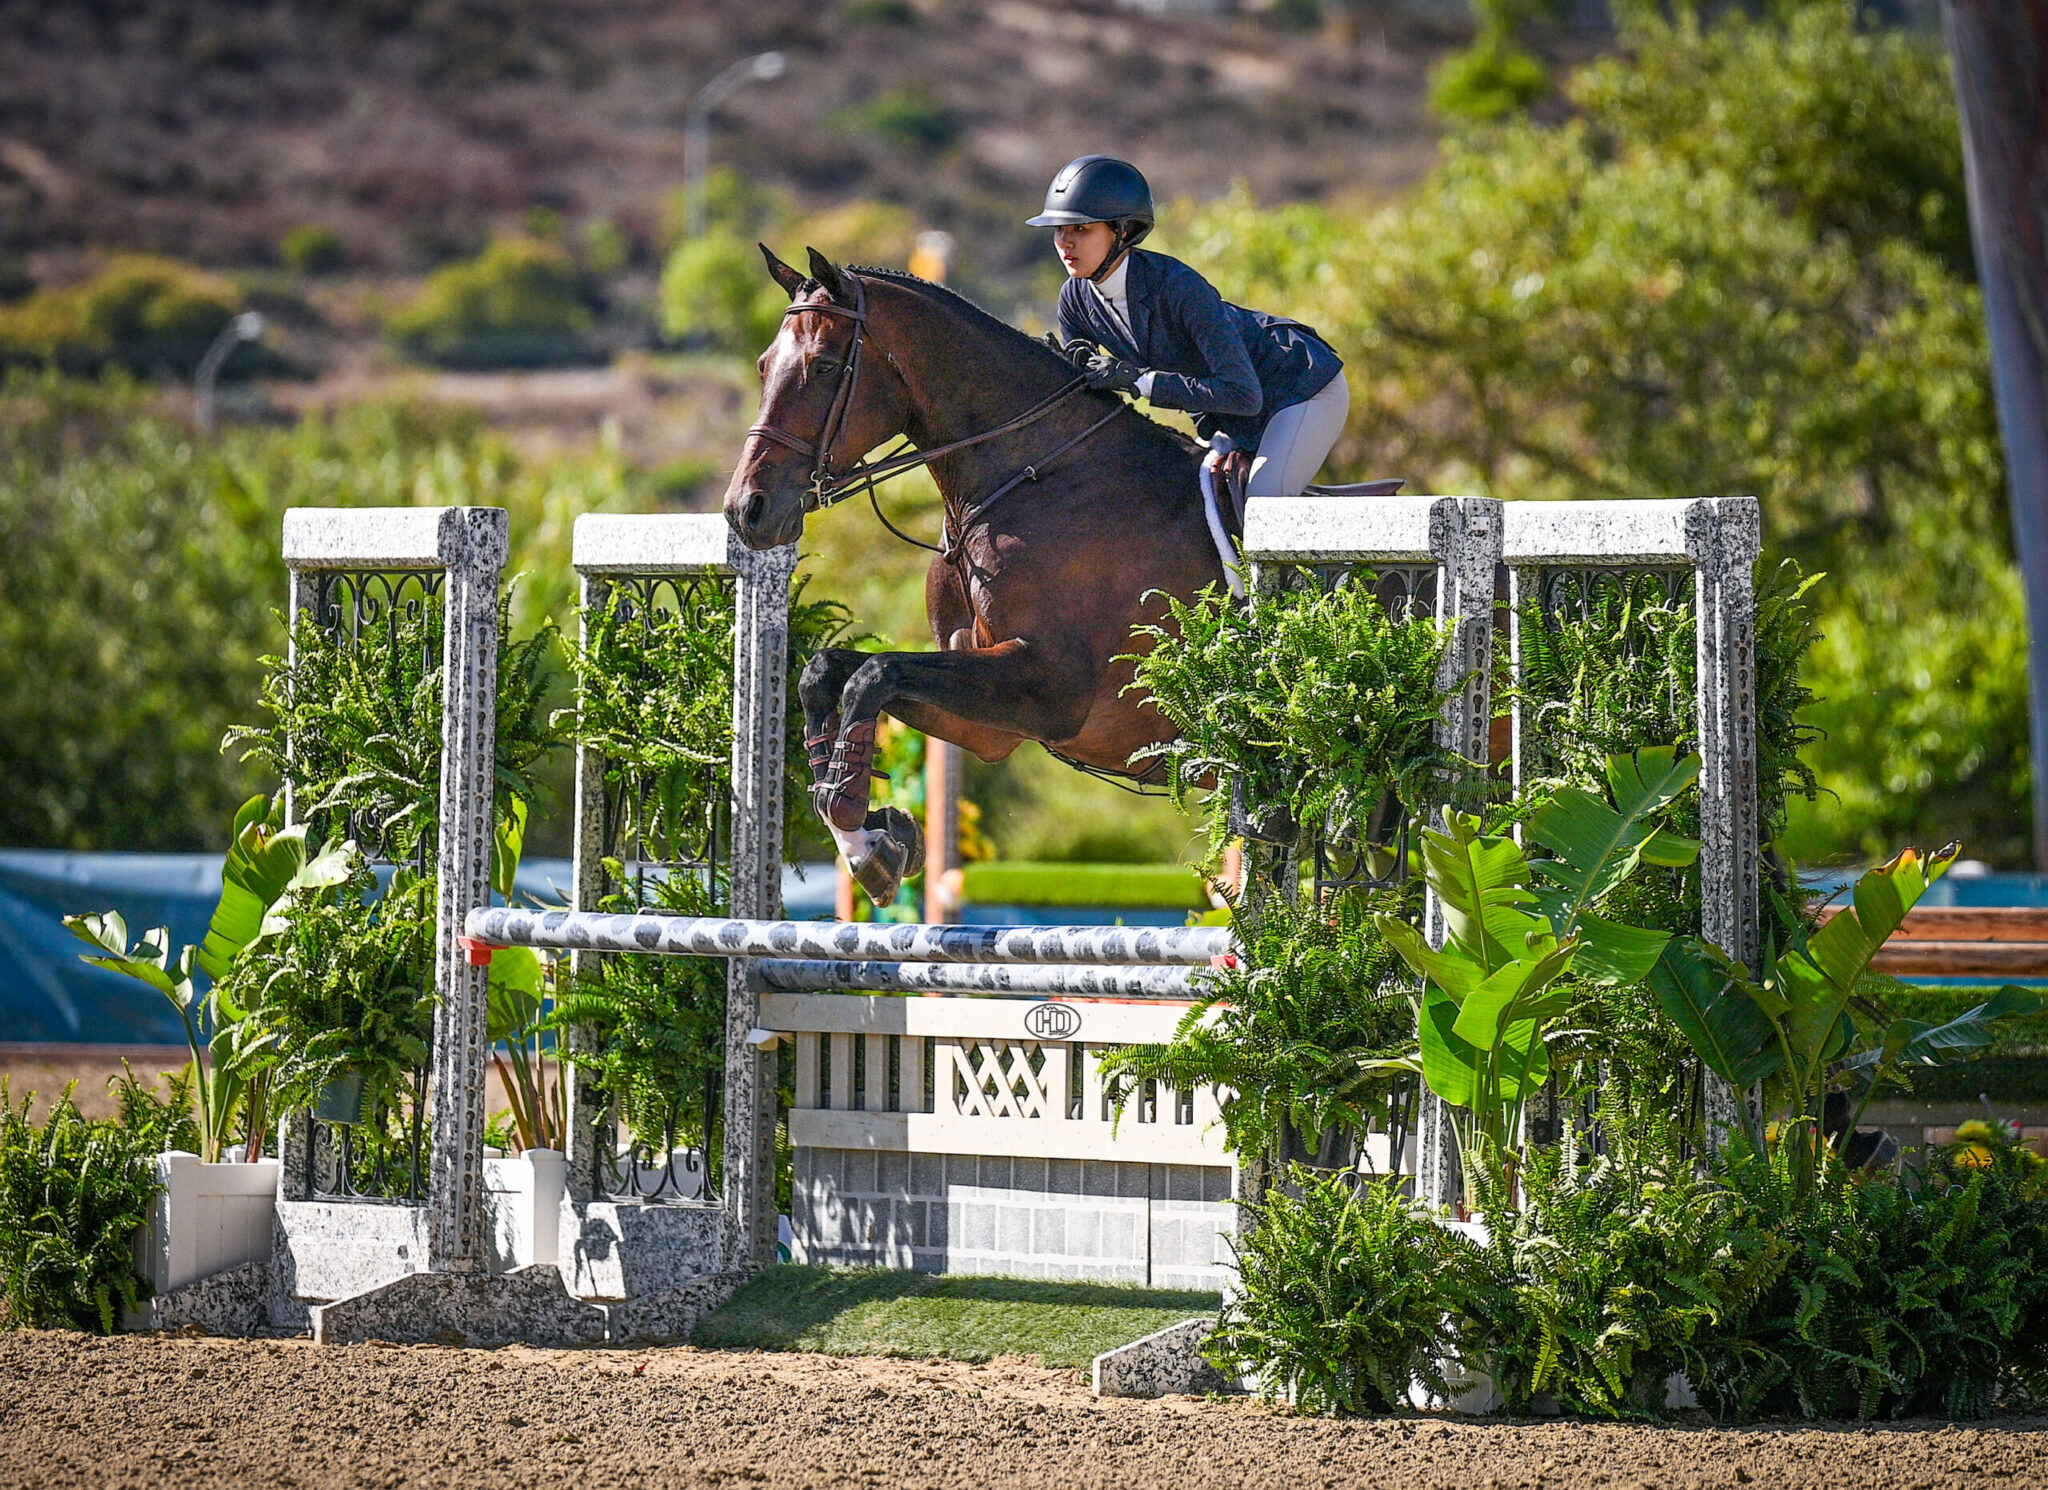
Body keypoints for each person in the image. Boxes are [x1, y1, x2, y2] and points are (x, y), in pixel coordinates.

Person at [1029, 154, 1349, 502]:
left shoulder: (1177, 286)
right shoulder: (1075, 299)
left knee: (1265, 499)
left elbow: (1244, 394)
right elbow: (1089, 390)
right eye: (1059, 229)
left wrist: (1139, 381)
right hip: (1229, 417)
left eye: (1081, 228)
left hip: (1298, 390)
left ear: (1121, 232)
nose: (1065, 242)